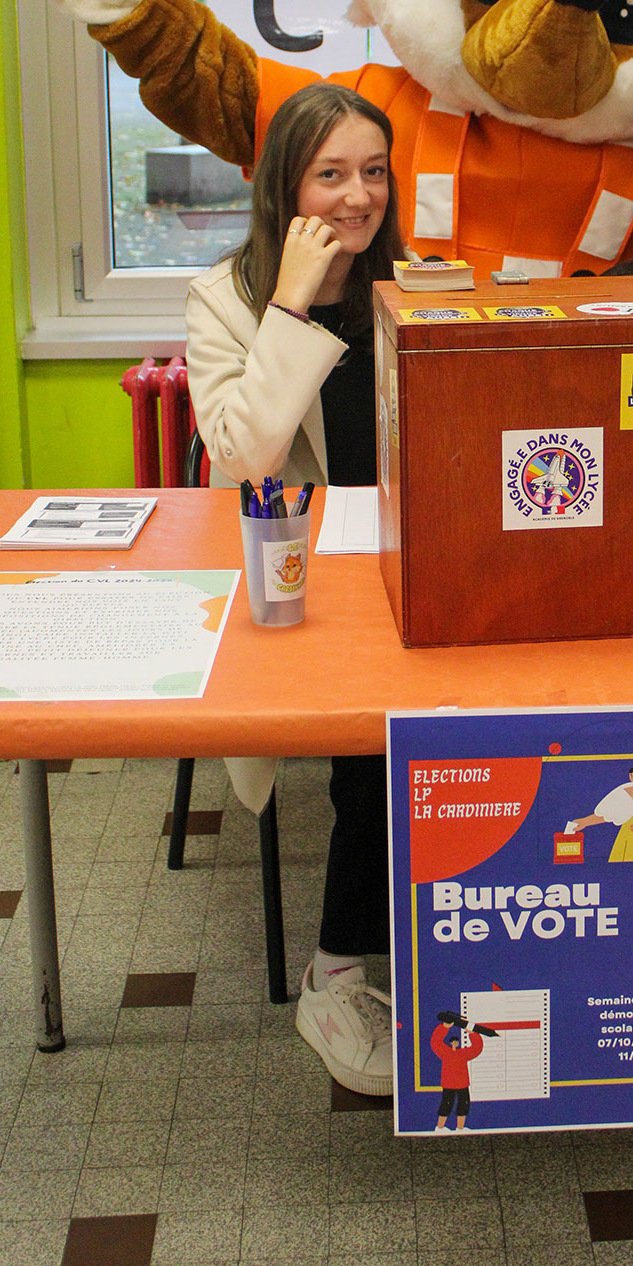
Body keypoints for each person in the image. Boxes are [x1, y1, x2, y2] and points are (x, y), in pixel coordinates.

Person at [185, 80, 406, 1096]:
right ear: (287, 185)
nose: (356, 197)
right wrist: (290, 306)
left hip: (412, 562)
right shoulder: (225, 297)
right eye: (331, 175)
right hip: (300, 583)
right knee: (379, 738)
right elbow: (245, 456)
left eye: (373, 170)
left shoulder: (413, 282)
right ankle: (338, 969)